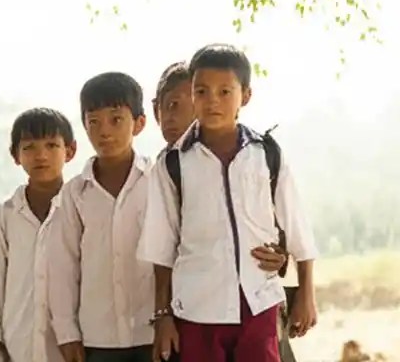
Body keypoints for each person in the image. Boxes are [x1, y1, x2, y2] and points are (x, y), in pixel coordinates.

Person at [139, 44, 318, 362]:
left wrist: (306, 292)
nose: (213, 101)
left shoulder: (266, 154)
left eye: (225, 91)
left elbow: (296, 227)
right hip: (197, 309)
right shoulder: (171, 164)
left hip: (258, 303)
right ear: (193, 95)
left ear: (245, 96)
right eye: (202, 91)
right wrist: (163, 315)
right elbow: (161, 248)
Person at [47, 72, 155, 362]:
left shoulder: (158, 182)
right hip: (97, 338)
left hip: (154, 332)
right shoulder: (74, 194)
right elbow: (63, 266)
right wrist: (67, 332)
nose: (104, 131)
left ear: (140, 123)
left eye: (116, 119)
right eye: (93, 122)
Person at [0, 108, 78, 362]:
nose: (41, 155)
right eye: (29, 147)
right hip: (17, 352)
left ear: (70, 151)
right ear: (15, 155)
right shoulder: (7, 215)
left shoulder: (80, 208)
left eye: (52, 145)